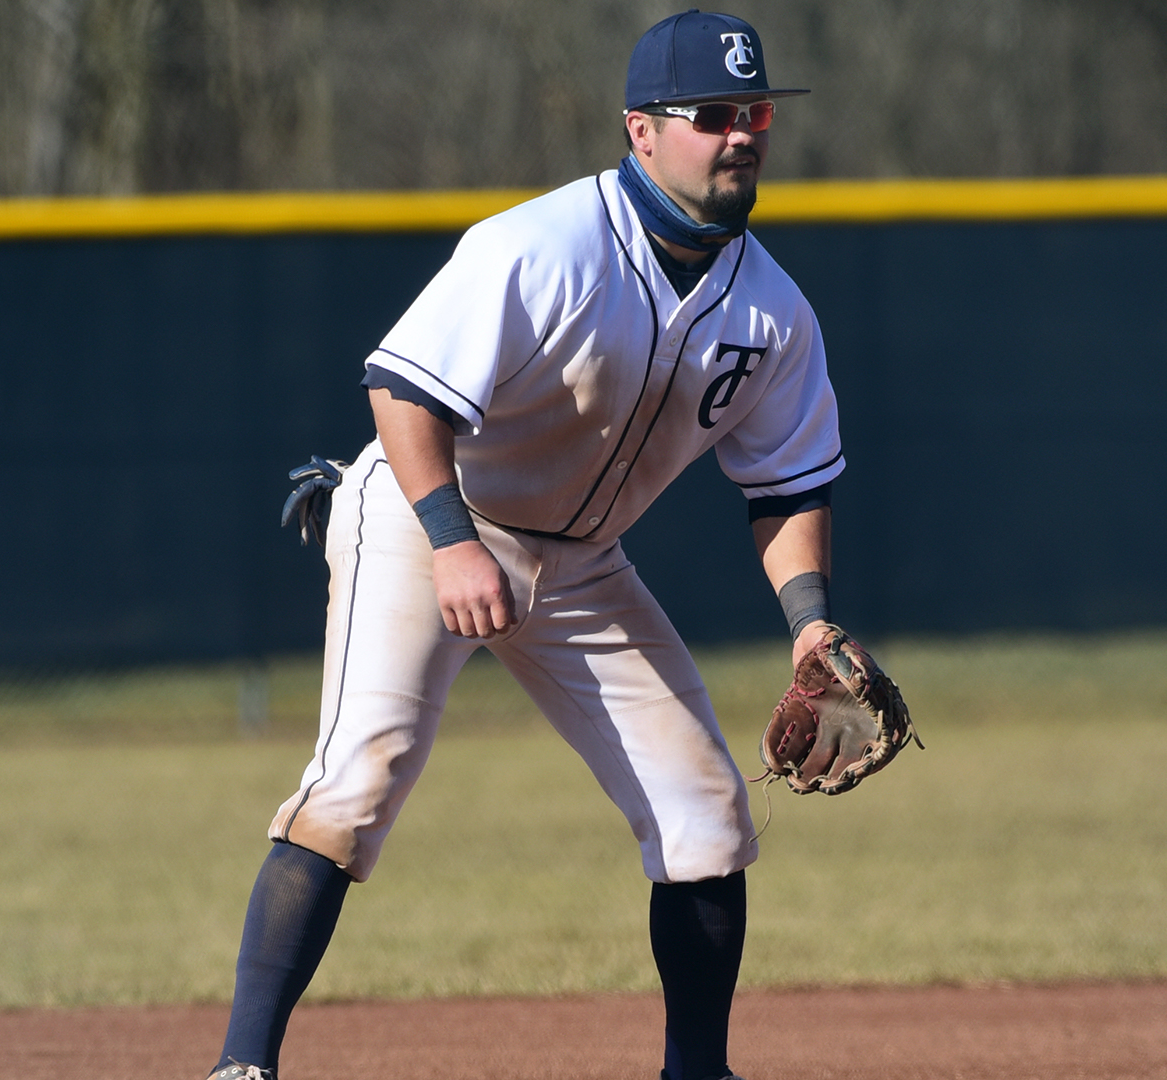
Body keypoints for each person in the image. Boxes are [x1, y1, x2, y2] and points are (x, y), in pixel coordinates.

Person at [209, 12, 842, 1080]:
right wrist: (453, 545)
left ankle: (698, 1072)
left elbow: (788, 484)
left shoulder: (773, 311)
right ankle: (243, 1067)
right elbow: (400, 391)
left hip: (584, 561)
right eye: (713, 117)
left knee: (705, 812)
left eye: (755, 114)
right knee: (357, 784)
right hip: (428, 517)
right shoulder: (543, 245)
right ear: (641, 131)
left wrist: (810, 622)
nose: (741, 135)